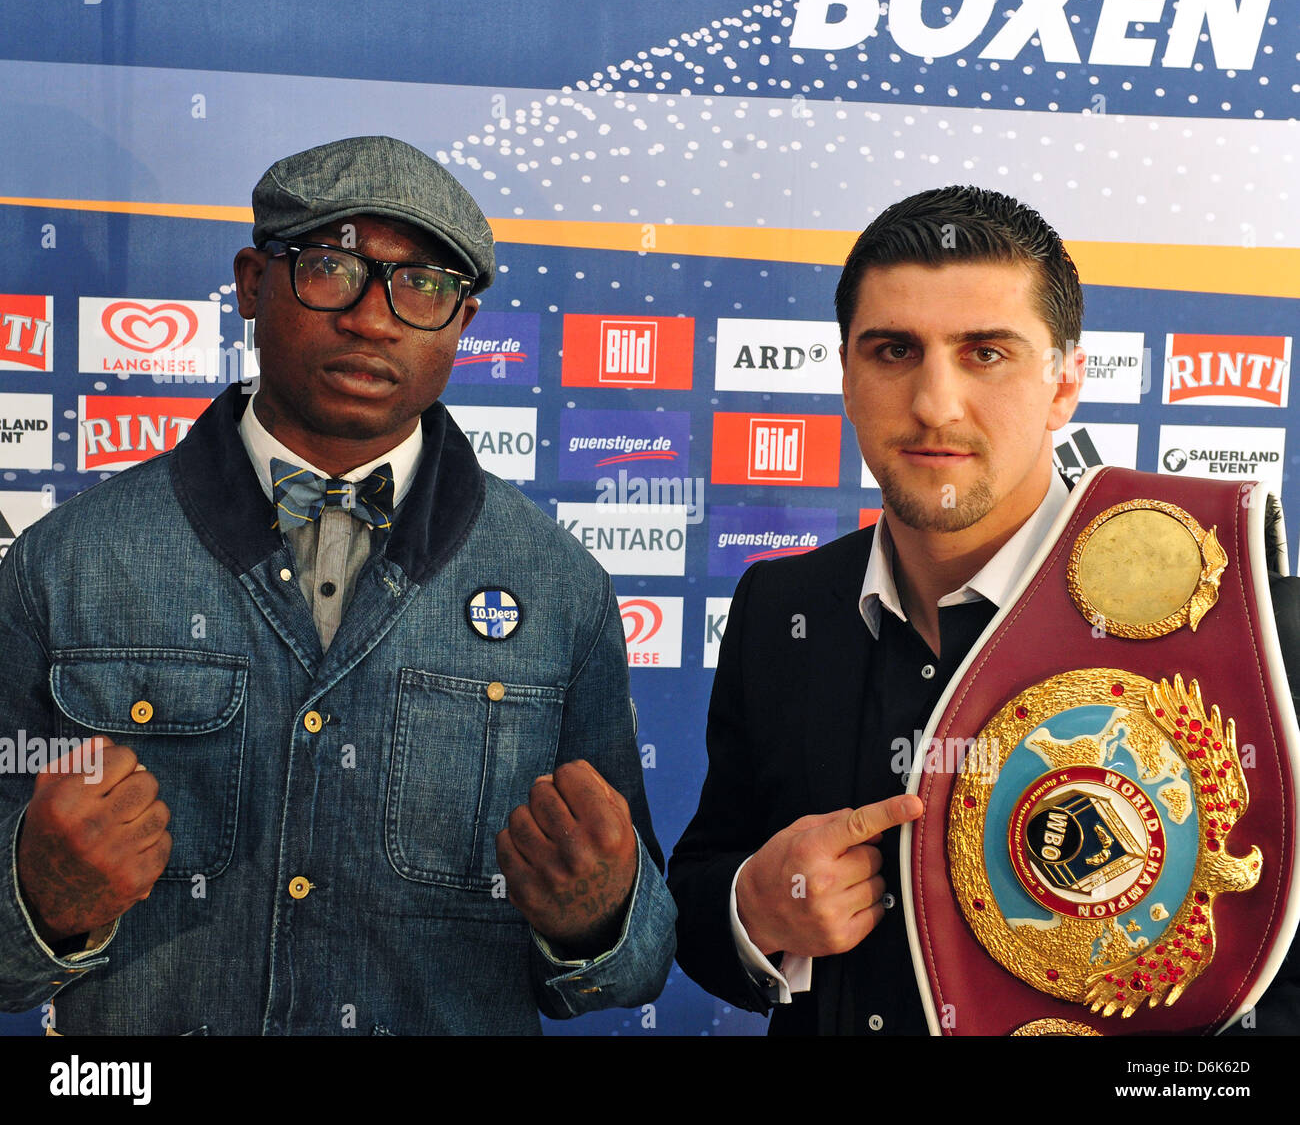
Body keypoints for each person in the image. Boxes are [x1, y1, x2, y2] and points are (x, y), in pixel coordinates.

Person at [0, 135, 674, 1035]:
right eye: (330, 267)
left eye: (423, 286)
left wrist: (599, 919)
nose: (373, 318)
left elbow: (638, 961)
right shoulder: (63, 565)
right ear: (250, 283)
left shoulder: (560, 590)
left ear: (462, 326)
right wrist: (38, 902)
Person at [667, 185, 1299, 1035]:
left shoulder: (1247, 622)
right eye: (894, 350)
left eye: (986, 353)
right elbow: (704, 897)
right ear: (847, 374)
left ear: (1065, 382)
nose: (935, 404)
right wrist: (758, 907)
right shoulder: (782, 609)